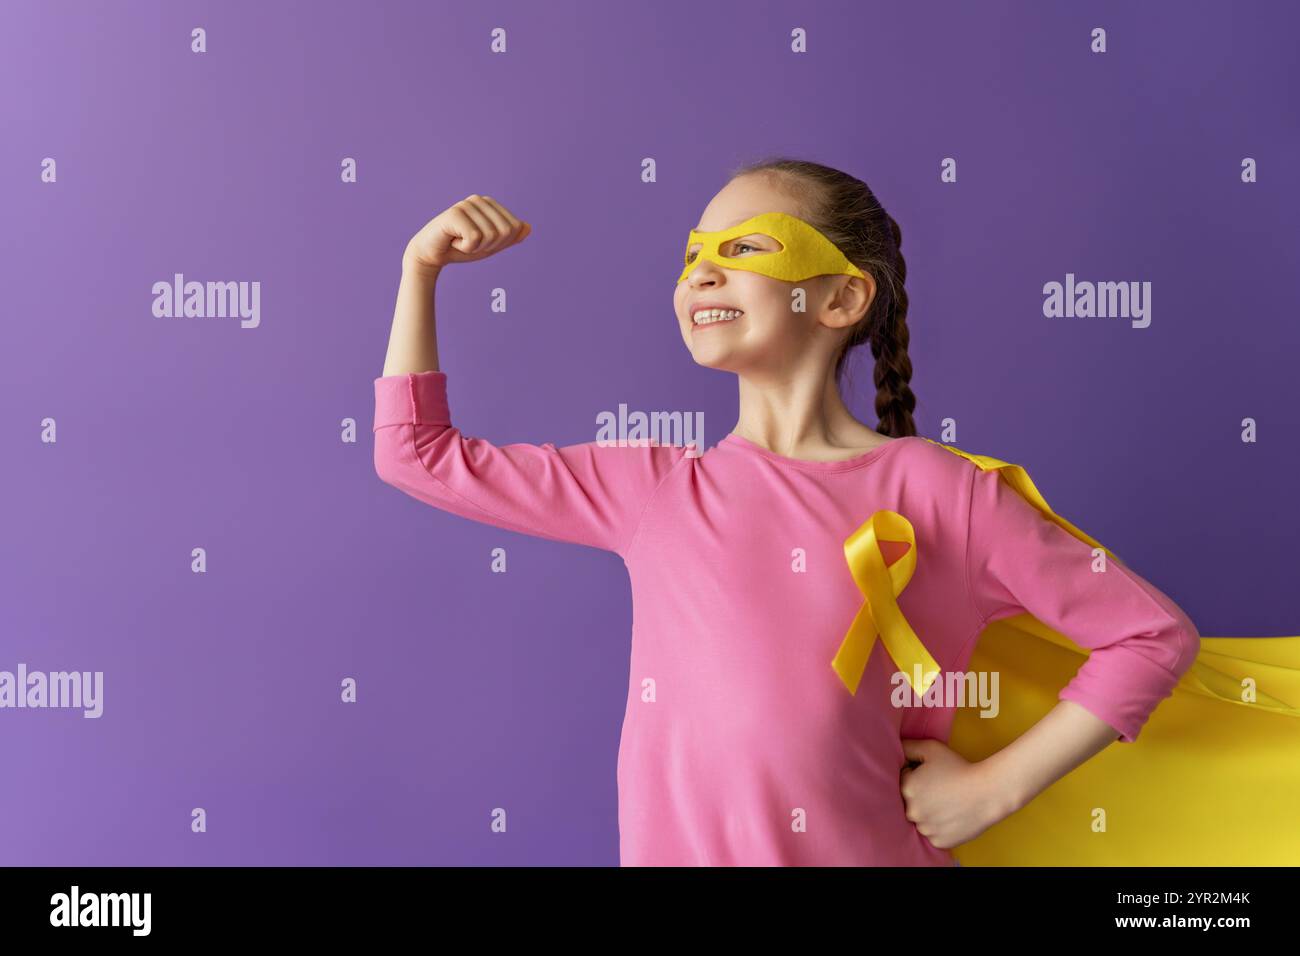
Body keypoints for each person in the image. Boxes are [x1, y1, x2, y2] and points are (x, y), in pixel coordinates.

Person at [372, 158, 1205, 866]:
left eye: (745, 249)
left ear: (840, 299)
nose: (700, 272)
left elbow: (1149, 635)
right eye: (693, 255)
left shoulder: (939, 490)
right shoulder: (653, 489)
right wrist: (420, 270)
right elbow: (416, 455)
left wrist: (993, 790)